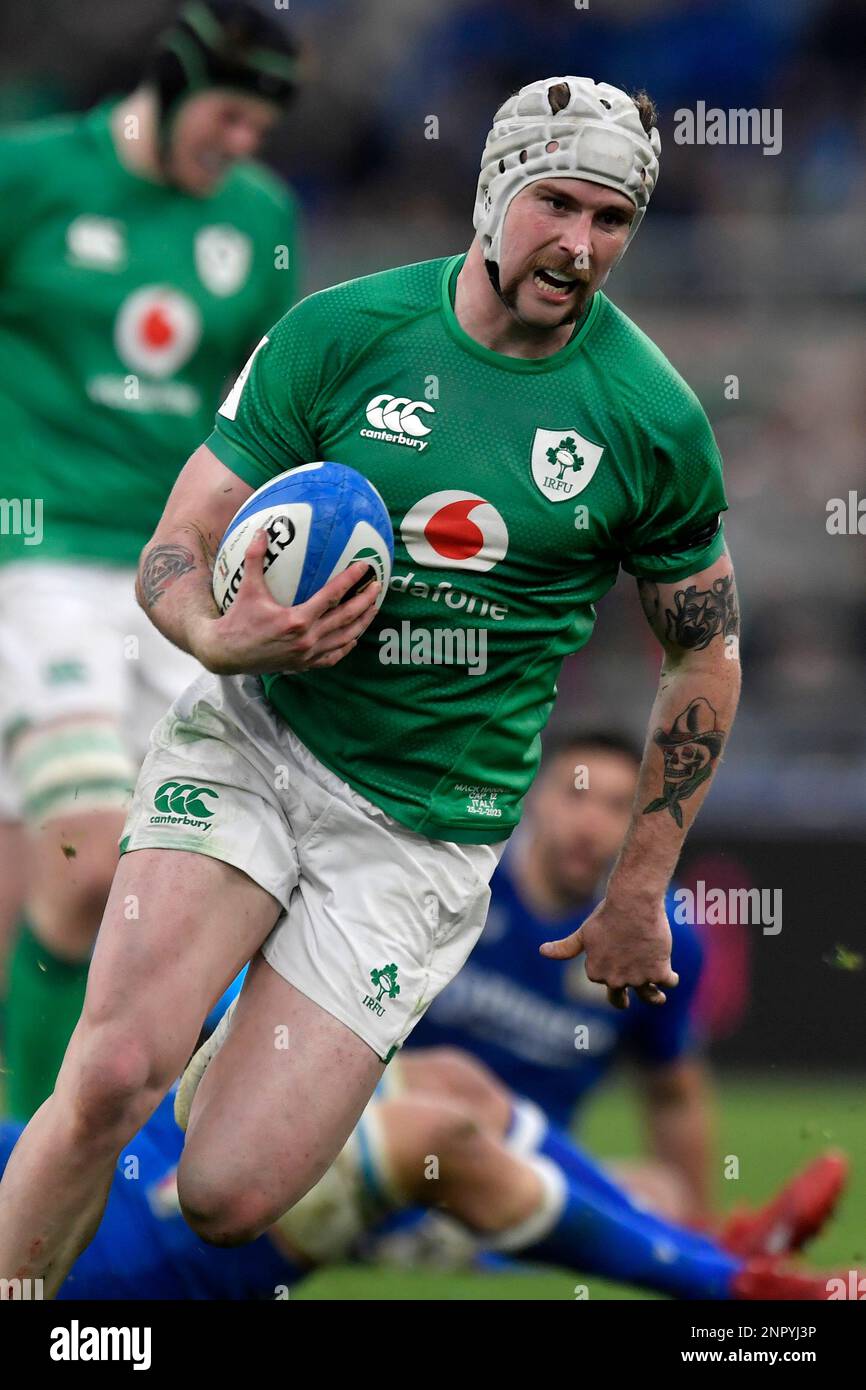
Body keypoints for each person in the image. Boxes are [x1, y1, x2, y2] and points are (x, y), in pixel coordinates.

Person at [0, 74, 743, 1295]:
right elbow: (176, 546)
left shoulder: (650, 416)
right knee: (111, 1074)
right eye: (556, 202)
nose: (578, 244)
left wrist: (640, 884)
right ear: (494, 185)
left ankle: (253, 1047)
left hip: (420, 833)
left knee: (228, 1194)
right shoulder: (341, 333)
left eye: (611, 220)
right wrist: (220, 635)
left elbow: (702, 649)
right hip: (254, 738)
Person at [0, 0, 302, 1116]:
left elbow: (261, 413)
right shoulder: (27, 173)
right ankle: (26, 1173)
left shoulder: (260, 216)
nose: (239, 145)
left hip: (176, 583)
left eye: (259, 128)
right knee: (82, 872)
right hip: (35, 563)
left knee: (148, 893)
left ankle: (96, 1182)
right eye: (226, 116)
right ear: (169, 88)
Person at [0, 1017, 850, 1301]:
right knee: (433, 1141)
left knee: (451, 1081)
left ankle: (717, 1243)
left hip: (142, 1151)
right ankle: (731, 1288)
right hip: (149, 1242)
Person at [409, 727, 714, 1225]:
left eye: (619, 807)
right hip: (412, 1149)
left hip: (537, 1172)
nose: (591, 824)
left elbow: (672, 1094)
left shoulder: (659, 938)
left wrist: (705, 1239)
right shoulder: (453, 883)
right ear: (533, 797)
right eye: (576, 796)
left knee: (661, 1195)